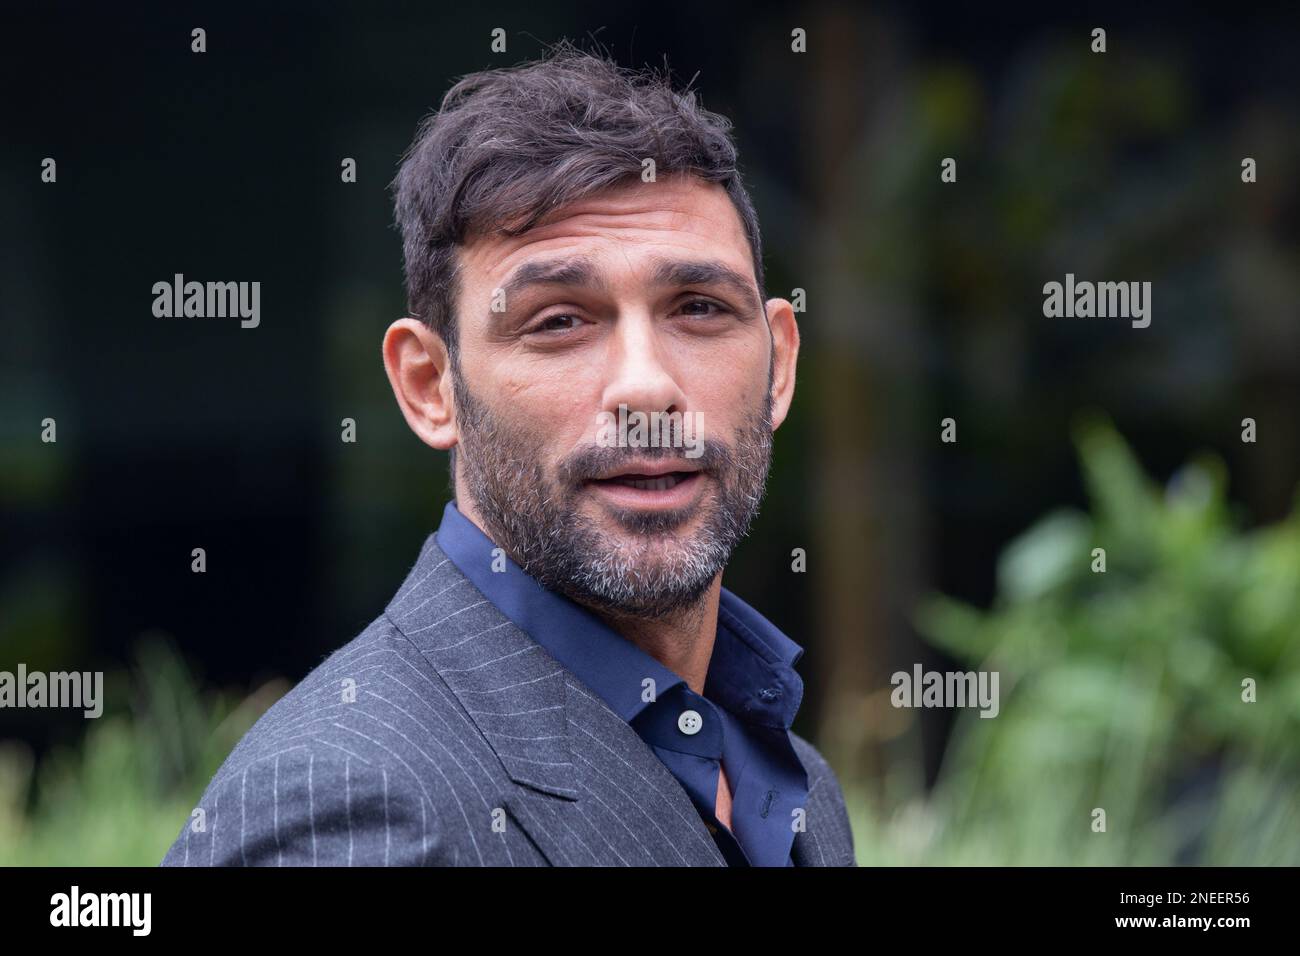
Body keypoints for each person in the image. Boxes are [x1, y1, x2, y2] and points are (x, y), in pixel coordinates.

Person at [161, 42, 855, 867]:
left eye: (699, 308)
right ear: (430, 386)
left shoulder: (791, 776)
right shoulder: (349, 809)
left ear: (778, 363)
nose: (646, 390)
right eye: (559, 320)